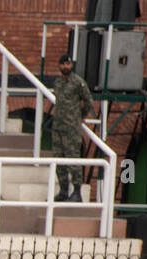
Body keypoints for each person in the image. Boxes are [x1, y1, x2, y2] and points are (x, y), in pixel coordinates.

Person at [50, 53, 95, 202]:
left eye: (68, 64)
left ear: (72, 65)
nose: (65, 67)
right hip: (58, 127)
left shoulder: (78, 83)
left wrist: (79, 117)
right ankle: (63, 190)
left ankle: (77, 191)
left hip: (71, 128)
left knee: (73, 159)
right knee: (59, 159)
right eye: (63, 64)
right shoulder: (57, 83)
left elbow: (88, 101)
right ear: (59, 65)